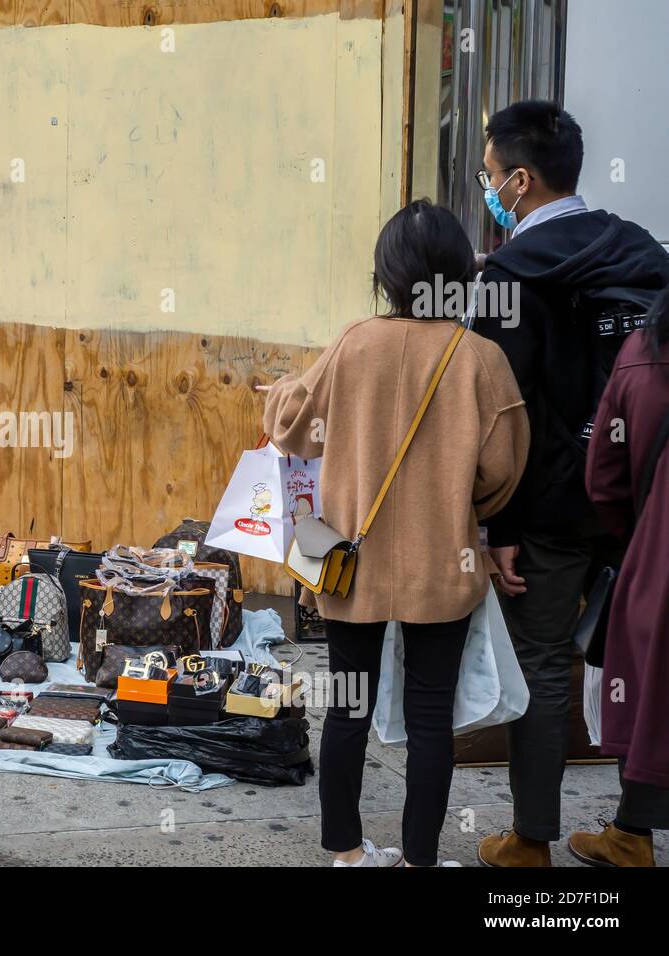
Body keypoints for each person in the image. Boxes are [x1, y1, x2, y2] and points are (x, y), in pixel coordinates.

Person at [263, 200, 528, 867]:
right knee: (430, 718)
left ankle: (347, 854)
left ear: (388, 273)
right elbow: (503, 468)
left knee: (348, 707)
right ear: (456, 273)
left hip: (351, 565)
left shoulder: (354, 344)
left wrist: (284, 388)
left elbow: (290, 425)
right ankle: (418, 860)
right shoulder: (481, 359)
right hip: (444, 566)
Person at [472, 101, 669, 867]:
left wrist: (499, 528)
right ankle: (632, 831)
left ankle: (532, 839)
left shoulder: (510, 276)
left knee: (545, 663)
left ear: (520, 181)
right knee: (645, 661)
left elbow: (499, 416)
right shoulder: (641, 252)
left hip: (548, 507)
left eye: (491, 176)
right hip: (646, 502)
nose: (490, 189)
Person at [567, 290, 669, 866]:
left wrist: (643, 537)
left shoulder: (642, 351)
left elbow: (603, 476)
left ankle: (632, 835)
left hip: (659, 557)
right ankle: (629, 831)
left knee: (655, 691)